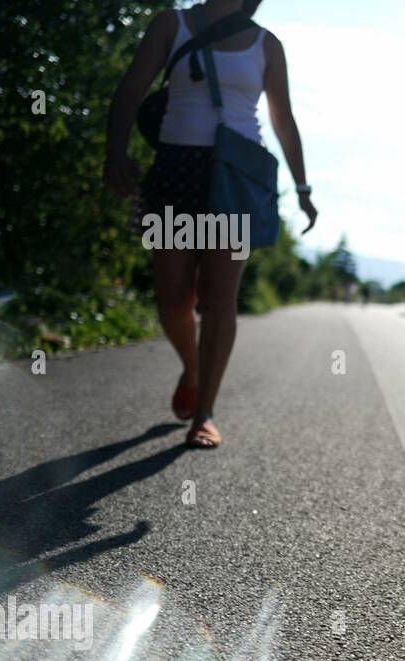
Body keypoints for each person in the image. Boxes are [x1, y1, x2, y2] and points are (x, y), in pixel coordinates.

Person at [103, 0, 316, 448]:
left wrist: (302, 188)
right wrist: (115, 152)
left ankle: (205, 413)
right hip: (176, 172)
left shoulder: (266, 44)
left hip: (236, 179)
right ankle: (193, 368)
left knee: (220, 299)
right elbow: (129, 91)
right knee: (173, 299)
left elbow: (284, 121)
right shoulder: (171, 24)